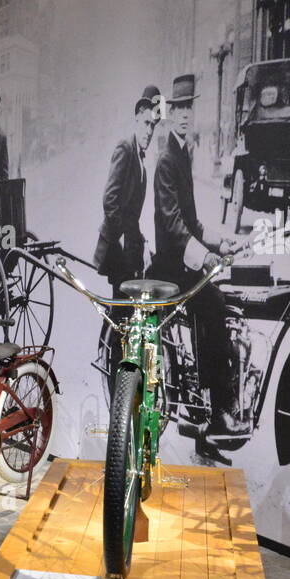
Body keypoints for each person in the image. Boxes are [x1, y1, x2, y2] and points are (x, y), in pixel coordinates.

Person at [151, 73, 240, 438]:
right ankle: (218, 410)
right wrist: (203, 258)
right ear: (170, 114)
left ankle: (215, 396)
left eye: (190, 107)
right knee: (214, 304)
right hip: (172, 265)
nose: (185, 114)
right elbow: (173, 224)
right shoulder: (166, 159)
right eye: (179, 108)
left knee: (228, 303)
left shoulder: (182, 152)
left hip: (184, 259)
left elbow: (192, 220)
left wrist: (220, 243)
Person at [96, 84, 159, 381]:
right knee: (120, 314)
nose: (150, 130)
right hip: (118, 249)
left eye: (154, 125)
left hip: (131, 246)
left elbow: (133, 212)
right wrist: (124, 238)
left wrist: (142, 241)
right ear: (136, 118)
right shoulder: (125, 147)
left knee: (123, 311)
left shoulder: (142, 156)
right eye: (146, 123)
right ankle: (113, 376)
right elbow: (110, 199)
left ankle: (114, 362)